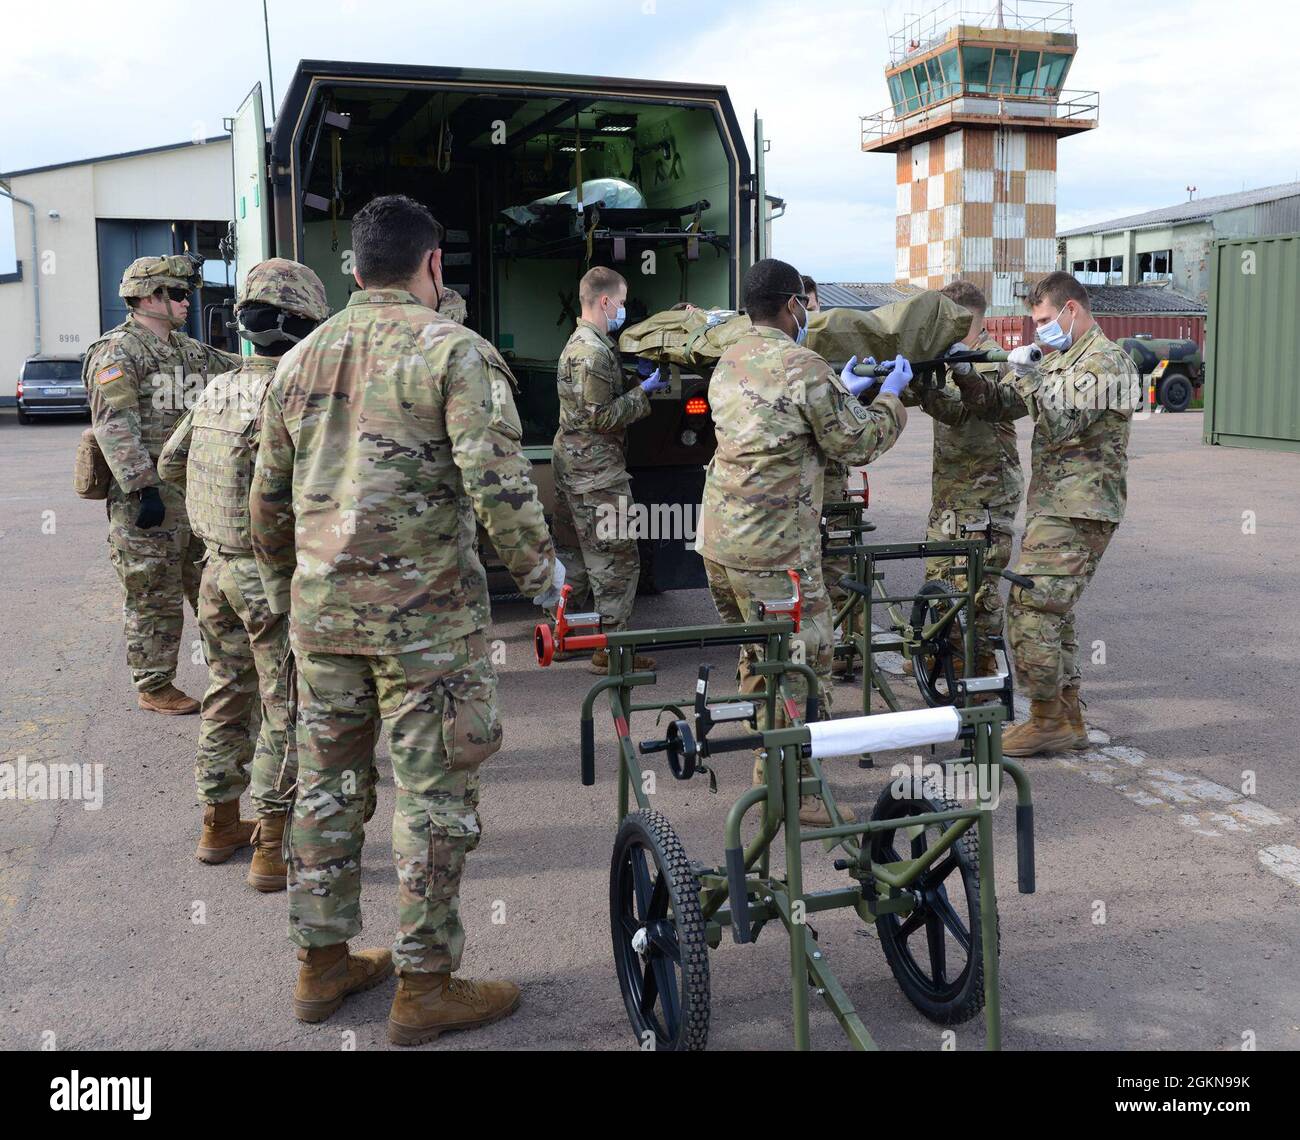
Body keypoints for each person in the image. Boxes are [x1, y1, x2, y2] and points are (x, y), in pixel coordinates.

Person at [250, 194, 561, 1043]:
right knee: (432, 795)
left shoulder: (297, 361)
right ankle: (423, 985)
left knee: (328, 786)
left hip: (322, 623)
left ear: (352, 270)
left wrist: (292, 595)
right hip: (427, 628)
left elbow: (265, 511)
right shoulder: (454, 352)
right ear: (434, 266)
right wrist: (546, 577)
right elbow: (499, 484)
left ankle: (320, 966)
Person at [696, 258, 911, 825]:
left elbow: (780, 421)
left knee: (757, 653)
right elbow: (859, 441)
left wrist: (843, 389)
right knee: (802, 665)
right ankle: (793, 793)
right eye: (805, 305)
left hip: (721, 544)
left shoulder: (729, 360)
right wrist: (890, 395)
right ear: (793, 304)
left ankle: (768, 760)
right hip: (776, 554)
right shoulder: (803, 364)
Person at [159, 258, 329, 879]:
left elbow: (170, 465)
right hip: (271, 578)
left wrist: (216, 517)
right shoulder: (298, 394)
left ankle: (218, 822)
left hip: (216, 574)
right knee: (285, 702)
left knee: (227, 693)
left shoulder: (218, 388)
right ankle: (270, 842)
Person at [952, 271, 1137, 756]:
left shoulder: (1106, 362)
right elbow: (998, 405)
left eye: (1044, 320)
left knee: (1031, 609)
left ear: (1071, 310)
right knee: (1056, 614)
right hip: (1056, 505)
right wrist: (965, 372)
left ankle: (1045, 718)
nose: (1039, 331)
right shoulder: (1061, 360)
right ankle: (1068, 716)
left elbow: (1061, 420)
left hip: (1081, 508)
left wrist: (1027, 371)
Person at [83, 254, 241, 713]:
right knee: (152, 591)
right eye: (177, 294)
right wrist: (141, 488)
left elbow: (239, 366)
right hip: (147, 499)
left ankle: (228, 674)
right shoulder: (117, 352)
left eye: (185, 293)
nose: (186, 301)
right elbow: (114, 426)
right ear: (149, 298)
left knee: (211, 587)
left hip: (193, 497)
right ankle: (154, 685)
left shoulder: (186, 350)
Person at [552, 266, 668, 673]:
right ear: (605, 301)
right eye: (620, 302)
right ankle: (613, 651)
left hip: (573, 467)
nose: (622, 309)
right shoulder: (594, 353)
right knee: (617, 561)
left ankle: (562, 635)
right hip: (596, 473)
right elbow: (601, 417)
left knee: (575, 558)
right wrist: (644, 392)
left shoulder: (583, 343)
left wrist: (630, 380)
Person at [909, 279, 1024, 680]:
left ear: (979, 319)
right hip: (949, 496)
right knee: (940, 582)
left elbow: (969, 409)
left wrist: (957, 373)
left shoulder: (1001, 361)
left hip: (987, 499)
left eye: (959, 324)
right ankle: (941, 662)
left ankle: (980, 683)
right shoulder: (941, 357)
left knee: (976, 595)